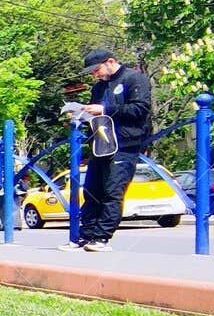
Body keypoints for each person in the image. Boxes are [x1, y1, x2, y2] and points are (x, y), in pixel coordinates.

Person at [64, 50, 152, 253]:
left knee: (113, 191)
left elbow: (140, 109)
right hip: (101, 143)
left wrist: (105, 109)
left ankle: (102, 237)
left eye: (97, 70)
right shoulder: (99, 87)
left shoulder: (134, 79)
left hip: (125, 144)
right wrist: (81, 114)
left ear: (110, 62)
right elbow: (96, 112)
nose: (95, 75)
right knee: (92, 190)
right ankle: (86, 235)